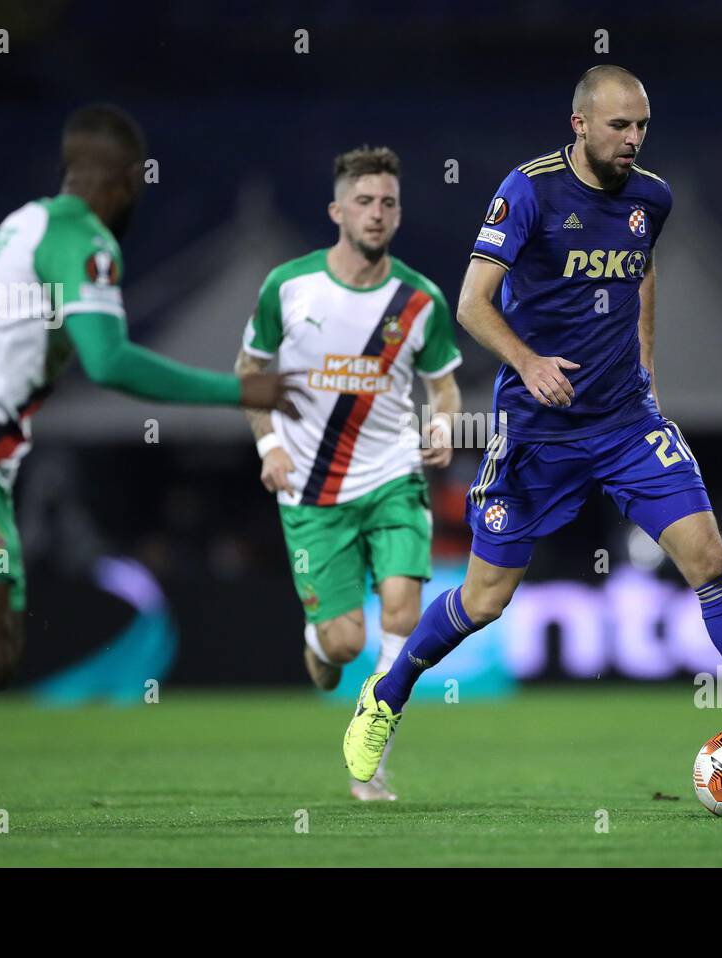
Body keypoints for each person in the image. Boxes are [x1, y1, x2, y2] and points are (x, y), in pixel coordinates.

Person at [0, 103, 302, 864]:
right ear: (128, 180)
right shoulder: (83, 240)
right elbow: (109, 361)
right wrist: (242, 390)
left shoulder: (22, 226)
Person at [342, 67, 722, 794]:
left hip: (625, 422)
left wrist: (647, 368)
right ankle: (385, 696)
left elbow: (642, 272)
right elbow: (472, 303)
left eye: (642, 126)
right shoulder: (529, 190)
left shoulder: (652, 198)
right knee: (484, 599)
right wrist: (528, 361)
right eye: (619, 126)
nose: (634, 139)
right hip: (537, 429)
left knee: (710, 559)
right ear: (579, 124)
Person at [236, 146, 462, 800]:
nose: (377, 213)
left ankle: (374, 758)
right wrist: (269, 445)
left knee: (403, 611)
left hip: (394, 477)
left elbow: (444, 387)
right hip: (311, 490)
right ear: (337, 211)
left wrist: (443, 426)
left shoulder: (420, 299)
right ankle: (318, 639)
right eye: (364, 201)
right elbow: (250, 372)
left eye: (388, 202)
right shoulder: (288, 286)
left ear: (399, 213)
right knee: (341, 647)